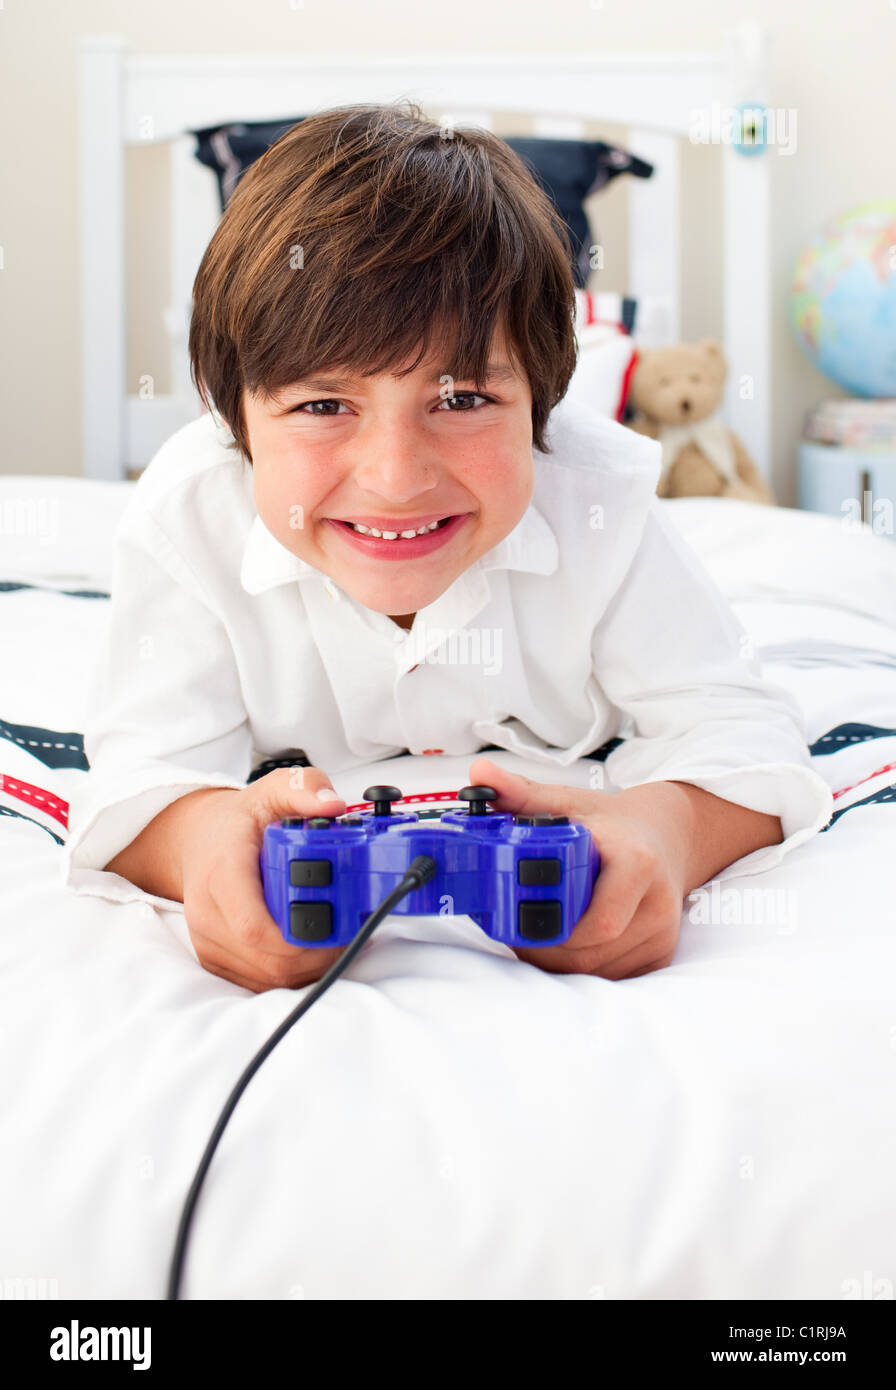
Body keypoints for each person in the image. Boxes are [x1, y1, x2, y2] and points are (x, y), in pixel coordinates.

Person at [61, 102, 833, 992]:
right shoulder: (186, 517)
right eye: (322, 406)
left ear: (543, 406)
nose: (394, 478)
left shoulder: (601, 501)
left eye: (461, 400)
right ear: (233, 416)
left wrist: (671, 830)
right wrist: (199, 845)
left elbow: (743, 735)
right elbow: (138, 781)